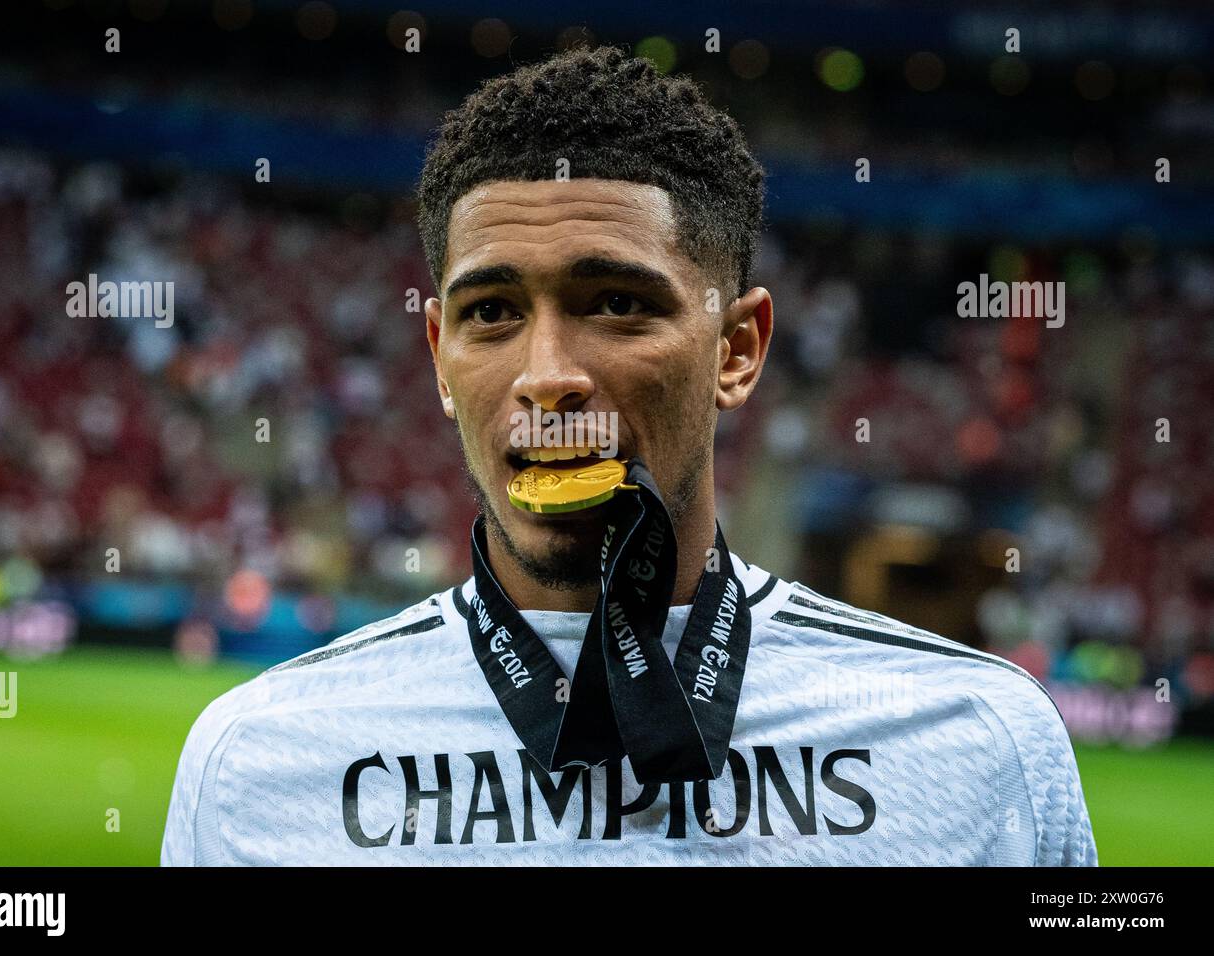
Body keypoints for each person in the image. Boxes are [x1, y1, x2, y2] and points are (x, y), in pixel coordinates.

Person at [162, 45, 1096, 865]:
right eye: (492, 313)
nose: (549, 377)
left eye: (617, 304)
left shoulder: (982, 745)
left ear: (737, 351)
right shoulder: (255, 766)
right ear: (441, 361)